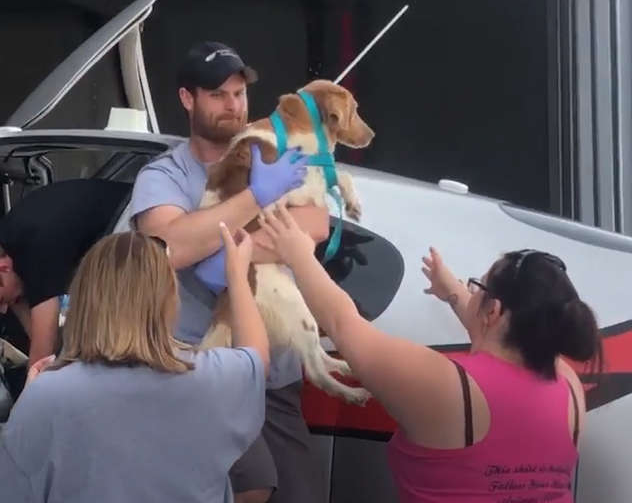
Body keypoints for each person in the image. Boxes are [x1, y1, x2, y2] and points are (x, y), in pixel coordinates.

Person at [254, 205, 606, 503]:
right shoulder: (569, 386)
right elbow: (507, 337)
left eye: (477, 287)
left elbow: (344, 324)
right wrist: (453, 290)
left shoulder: (448, 388)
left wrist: (298, 255)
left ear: (494, 312)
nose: (473, 294)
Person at [126, 41, 330, 503]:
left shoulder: (272, 154)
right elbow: (167, 247)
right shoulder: (165, 174)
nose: (233, 105)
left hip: (273, 374)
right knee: (241, 489)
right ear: (187, 98)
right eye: (218, 94)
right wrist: (257, 201)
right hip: (201, 371)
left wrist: (220, 250)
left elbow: (314, 225)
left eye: (238, 93)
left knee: (304, 495)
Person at [0, 225, 270, 503]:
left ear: (85, 298)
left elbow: (0, 493)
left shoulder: (49, 394)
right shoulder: (215, 378)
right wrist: (237, 276)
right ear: (169, 298)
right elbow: (257, 356)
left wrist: (27, 402)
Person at [0, 178, 129, 365]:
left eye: (1, 301)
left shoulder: (35, 250)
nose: (4, 309)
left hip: (134, 225)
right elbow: (45, 342)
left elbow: (43, 354)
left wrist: (29, 393)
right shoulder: (7, 243)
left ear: (3, 268)